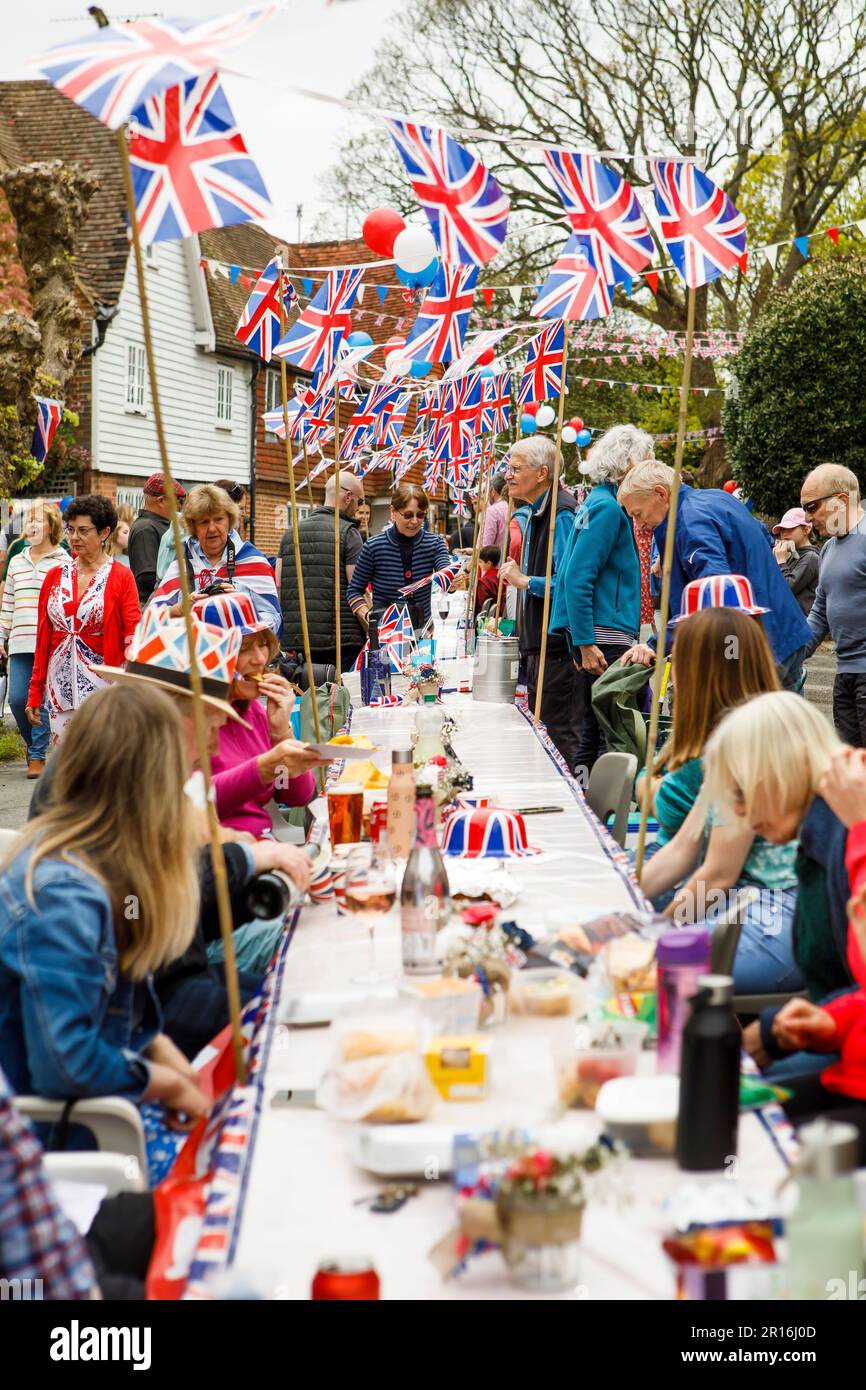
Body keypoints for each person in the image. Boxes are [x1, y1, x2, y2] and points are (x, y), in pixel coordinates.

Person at [0, 684, 210, 1164]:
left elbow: (114, 1002)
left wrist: (157, 1050)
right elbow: (64, 1065)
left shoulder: (106, 871)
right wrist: (164, 1085)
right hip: (56, 1156)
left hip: (96, 1127)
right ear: (150, 786)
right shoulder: (63, 897)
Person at [656, 691, 847, 996]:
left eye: (741, 794)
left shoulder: (836, 843)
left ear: (782, 774)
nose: (740, 814)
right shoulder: (817, 839)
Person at [618, 460, 812, 690]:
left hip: (753, 646)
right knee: (790, 723)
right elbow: (764, 537)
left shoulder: (689, 522)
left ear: (661, 493)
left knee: (747, 723)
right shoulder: (719, 498)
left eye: (638, 514)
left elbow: (715, 592)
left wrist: (656, 644)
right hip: (786, 629)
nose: (638, 524)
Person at [637, 598, 782, 855]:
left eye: (678, 652)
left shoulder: (715, 750)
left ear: (698, 669)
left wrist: (649, 784)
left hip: (701, 883)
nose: (672, 665)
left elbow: (664, 806)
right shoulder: (763, 728)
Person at [549, 432, 641, 777]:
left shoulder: (598, 502)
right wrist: (585, 642)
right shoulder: (607, 508)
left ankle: (589, 802)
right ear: (628, 462)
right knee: (608, 730)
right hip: (604, 633)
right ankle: (601, 808)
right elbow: (577, 577)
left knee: (594, 726)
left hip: (599, 629)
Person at [201, 592, 322, 840]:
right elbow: (193, 801)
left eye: (263, 644)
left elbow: (293, 796)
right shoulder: (187, 719)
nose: (260, 659)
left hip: (267, 845)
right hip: (217, 857)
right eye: (244, 648)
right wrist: (263, 768)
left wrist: (281, 734)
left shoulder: (254, 709)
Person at [26, 495, 140, 747]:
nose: (74, 537)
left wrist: (131, 687)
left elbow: (133, 633)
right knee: (68, 768)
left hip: (106, 687)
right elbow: (43, 638)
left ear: (104, 532)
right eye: (71, 530)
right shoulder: (55, 576)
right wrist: (35, 691)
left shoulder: (121, 576)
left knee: (102, 763)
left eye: (83, 530)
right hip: (61, 689)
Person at [499, 437, 582, 767]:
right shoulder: (535, 511)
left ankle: (579, 811)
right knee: (542, 731)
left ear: (542, 473)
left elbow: (567, 583)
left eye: (516, 468)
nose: (507, 475)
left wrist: (524, 581)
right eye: (508, 467)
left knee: (560, 735)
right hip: (537, 644)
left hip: (558, 647)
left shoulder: (561, 513)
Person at [152, 483, 281, 636]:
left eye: (218, 519)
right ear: (193, 526)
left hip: (240, 654)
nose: (212, 528)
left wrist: (242, 606)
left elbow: (274, 622)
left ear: (230, 520)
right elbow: (151, 620)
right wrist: (179, 609)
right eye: (204, 522)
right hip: (192, 655)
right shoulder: (182, 562)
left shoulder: (253, 561)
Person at [800, 464, 866, 744]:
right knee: (853, 771)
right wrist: (788, 653)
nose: (806, 517)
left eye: (812, 507)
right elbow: (818, 615)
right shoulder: (828, 549)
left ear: (840, 501)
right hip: (845, 675)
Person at [0, 503, 66, 778]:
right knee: (17, 699)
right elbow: (8, 603)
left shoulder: (64, 561)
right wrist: (0, 637)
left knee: (42, 702)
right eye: (30, 520)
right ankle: (34, 745)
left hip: (50, 645)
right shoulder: (17, 560)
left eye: (40, 520)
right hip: (20, 641)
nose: (33, 525)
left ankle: (37, 756)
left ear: (52, 526)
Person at [277, 473, 366, 670]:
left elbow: (279, 585)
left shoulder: (290, 534)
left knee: (310, 697)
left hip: (299, 640)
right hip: (342, 640)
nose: (359, 508)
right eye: (360, 501)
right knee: (338, 697)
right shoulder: (349, 533)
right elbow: (357, 586)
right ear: (348, 496)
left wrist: (288, 634)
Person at [348, 483, 451, 630]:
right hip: (387, 633)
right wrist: (369, 618)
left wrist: (452, 579)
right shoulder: (373, 546)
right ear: (393, 512)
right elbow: (354, 591)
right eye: (408, 515)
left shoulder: (435, 543)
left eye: (420, 515)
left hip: (423, 634)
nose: (415, 521)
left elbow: (445, 572)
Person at [128, 473, 186, 605]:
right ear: (161, 501)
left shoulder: (162, 525)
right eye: (178, 501)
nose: (180, 507)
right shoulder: (145, 528)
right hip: (154, 604)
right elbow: (147, 578)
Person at [772, 506, 819, 616]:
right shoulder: (793, 555)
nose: (784, 533)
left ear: (806, 529)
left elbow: (786, 590)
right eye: (782, 529)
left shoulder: (810, 557)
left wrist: (781, 562)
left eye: (790, 528)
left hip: (804, 625)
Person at [480, 473, 508, 550]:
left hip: (495, 560)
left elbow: (486, 547)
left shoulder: (492, 511)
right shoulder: (513, 508)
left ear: (493, 491)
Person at [475, 545, 503, 618]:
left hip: (488, 619)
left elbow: (481, 607)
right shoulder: (502, 576)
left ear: (489, 563)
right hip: (501, 616)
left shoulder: (484, 582)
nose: (479, 564)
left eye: (480, 562)